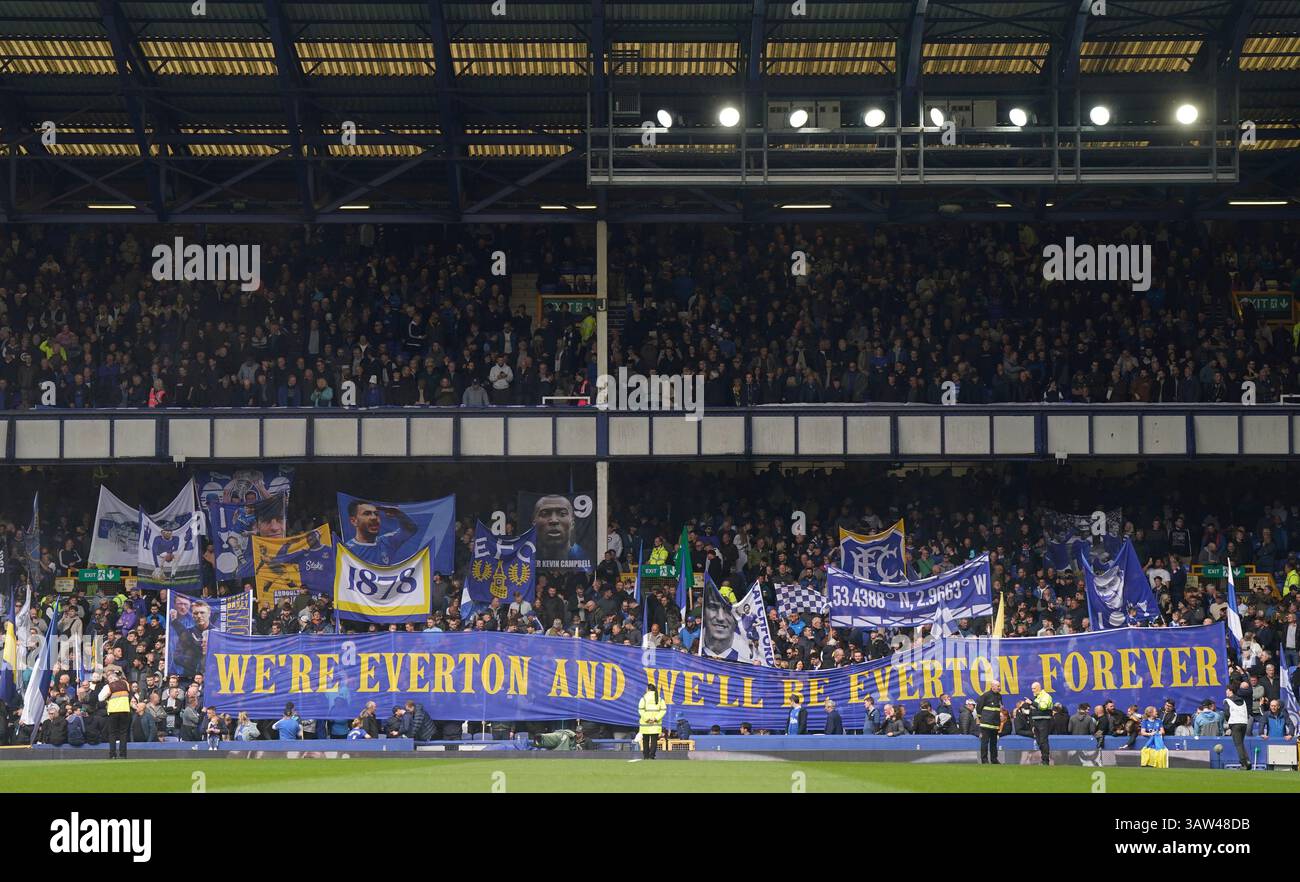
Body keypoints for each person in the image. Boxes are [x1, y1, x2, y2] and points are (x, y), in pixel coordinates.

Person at [343, 500, 418, 565]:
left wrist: (399, 514)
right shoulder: (347, 551)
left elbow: (411, 529)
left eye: (376, 514)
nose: (374, 517)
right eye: (367, 513)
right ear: (354, 521)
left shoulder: (387, 541)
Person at [97, 666, 132, 759]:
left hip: (113, 711)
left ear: (110, 679)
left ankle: (112, 754)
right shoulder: (125, 683)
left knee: (112, 733)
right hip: (125, 710)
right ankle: (123, 755)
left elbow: (100, 698)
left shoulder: (108, 686)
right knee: (123, 733)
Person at [977, 679, 1004, 764]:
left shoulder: (999, 696)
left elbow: (999, 707)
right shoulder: (985, 695)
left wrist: (1000, 714)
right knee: (985, 742)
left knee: (994, 743)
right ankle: (984, 760)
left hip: (995, 724)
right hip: (986, 724)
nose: (999, 688)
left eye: (999, 686)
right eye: (998, 686)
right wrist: (982, 718)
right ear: (992, 686)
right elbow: (979, 708)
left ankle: (994, 759)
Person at [1027, 681, 1054, 766]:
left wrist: (1032, 703)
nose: (1032, 690)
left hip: (1044, 721)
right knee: (1039, 741)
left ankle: (1045, 760)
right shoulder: (1037, 697)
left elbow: (1043, 707)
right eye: (1032, 688)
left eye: (1034, 688)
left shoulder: (1046, 696)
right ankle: (1044, 759)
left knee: (1043, 741)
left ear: (1039, 688)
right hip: (1037, 722)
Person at [1224, 685, 1252, 769]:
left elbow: (1226, 713)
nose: (1226, 692)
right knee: (1241, 743)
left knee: (1238, 744)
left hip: (1235, 723)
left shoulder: (1227, 701)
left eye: (1227, 690)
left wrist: (1229, 721)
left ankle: (1243, 763)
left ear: (1230, 690)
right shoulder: (1242, 700)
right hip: (1244, 723)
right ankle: (1247, 761)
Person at [637, 683, 666, 760]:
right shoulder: (659, 699)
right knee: (654, 741)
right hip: (655, 724)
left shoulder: (643, 698)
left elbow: (640, 710)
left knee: (645, 740)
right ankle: (652, 756)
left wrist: (647, 719)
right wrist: (655, 718)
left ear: (648, 689)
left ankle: (646, 756)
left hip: (645, 724)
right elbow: (663, 710)